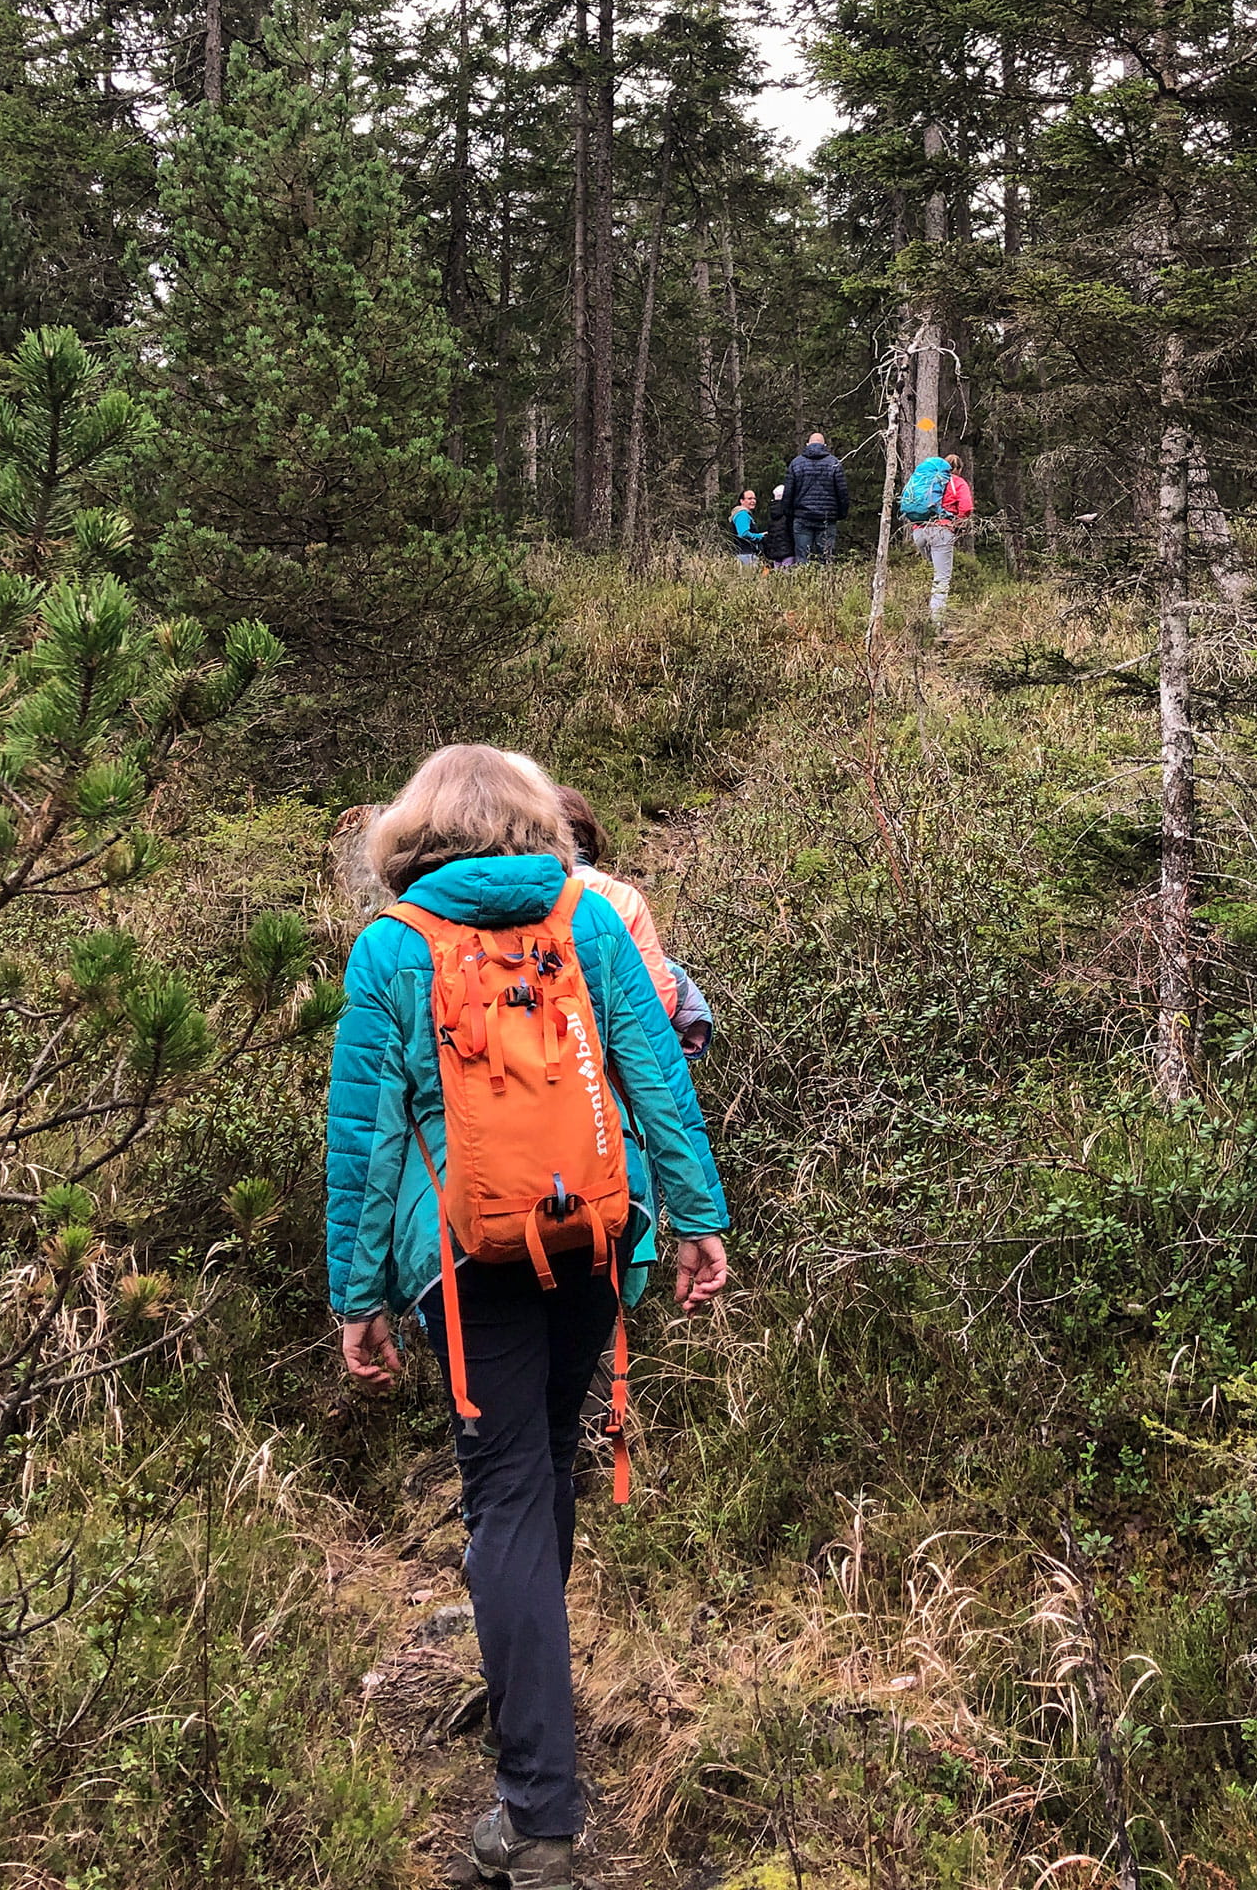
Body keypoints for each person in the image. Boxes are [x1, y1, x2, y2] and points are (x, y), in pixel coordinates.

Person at [326, 745, 728, 1890]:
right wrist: (697, 1222)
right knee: (542, 1469)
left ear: (412, 836)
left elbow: (361, 1139)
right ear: (533, 821)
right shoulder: (585, 914)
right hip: (593, 1237)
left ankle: (537, 1810)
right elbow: (657, 1075)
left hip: (466, 1262)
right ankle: (531, 1718)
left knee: (503, 1497)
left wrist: (357, 1296)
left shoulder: (393, 947)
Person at [556, 786, 713, 1060]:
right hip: (617, 1064)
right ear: (588, 835)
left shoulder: (510, 900)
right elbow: (658, 1002)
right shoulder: (620, 897)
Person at [910, 450, 975, 623]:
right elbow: (967, 507)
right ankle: (936, 622)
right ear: (959, 469)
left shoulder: (928, 479)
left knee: (928, 573)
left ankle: (918, 614)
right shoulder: (957, 482)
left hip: (919, 530)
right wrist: (958, 522)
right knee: (941, 579)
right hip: (941, 531)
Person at [782, 430, 849, 566]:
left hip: (802, 517)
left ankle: (802, 585)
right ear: (824, 445)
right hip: (827, 518)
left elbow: (788, 493)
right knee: (826, 558)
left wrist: (789, 513)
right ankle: (825, 585)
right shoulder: (834, 463)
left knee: (802, 558)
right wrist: (841, 514)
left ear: (807, 444)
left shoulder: (796, 463)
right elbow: (842, 493)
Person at [761, 480, 796, 571]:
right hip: (788, 551)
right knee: (787, 576)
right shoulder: (788, 513)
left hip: (775, 553)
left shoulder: (772, 514)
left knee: (778, 574)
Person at [728, 488, 763, 567]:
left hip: (745, 554)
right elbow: (744, 533)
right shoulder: (742, 514)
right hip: (745, 555)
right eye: (749, 499)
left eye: (754, 499)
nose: (753, 501)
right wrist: (761, 536)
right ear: (742, 501)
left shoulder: (744, 514)